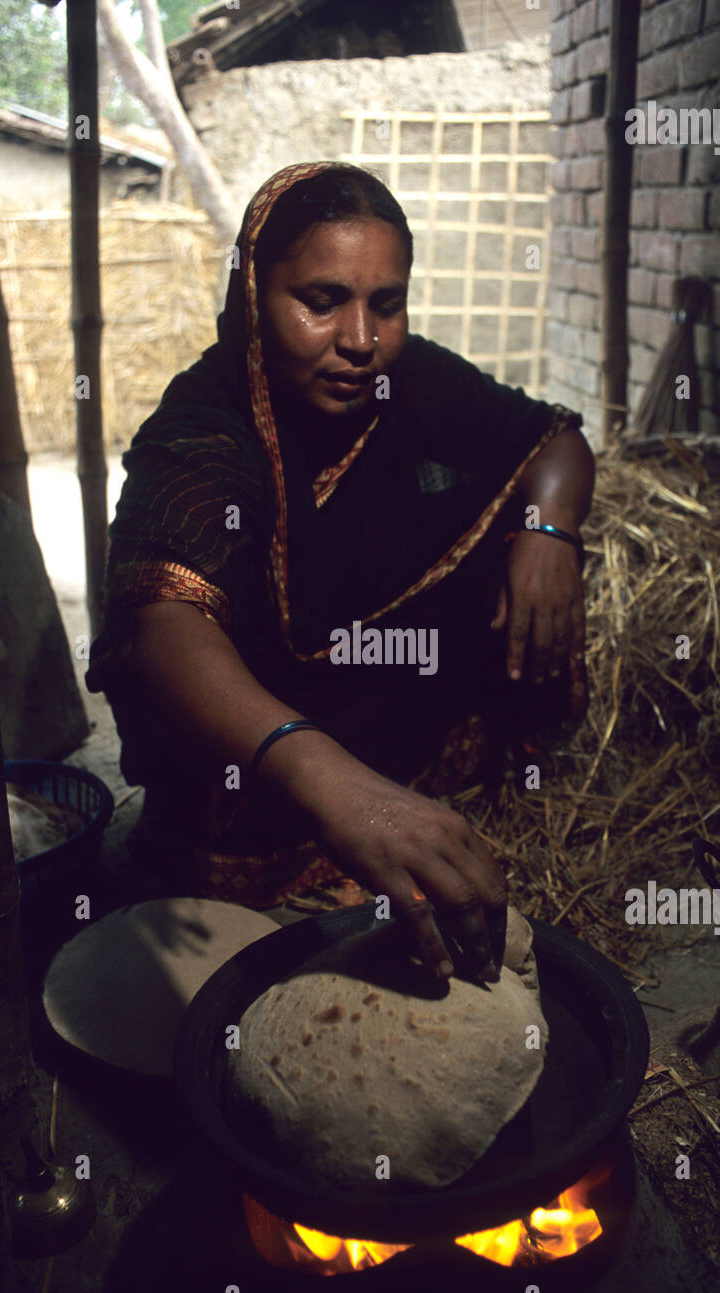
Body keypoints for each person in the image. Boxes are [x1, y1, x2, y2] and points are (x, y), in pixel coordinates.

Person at [86, 161, 594, 984]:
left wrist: (548, 532)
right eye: (320, 301)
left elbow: (554, 441)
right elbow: (161, 621)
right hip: (261, 756)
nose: (360, 340)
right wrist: (333, 784)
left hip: (384, 698)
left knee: (509, 520)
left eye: (384, 303)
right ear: (254, 294)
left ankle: (447, 761)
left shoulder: (410, 381)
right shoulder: (203, 431)